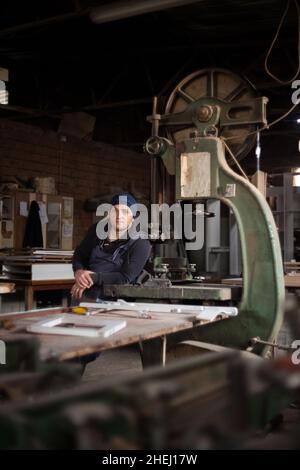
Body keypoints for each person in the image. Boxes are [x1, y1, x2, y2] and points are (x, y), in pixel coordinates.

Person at [71, 193, 151, 302]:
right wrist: (79, 272)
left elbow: (125, 277)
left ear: (133, 217)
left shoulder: (140, 243)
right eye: (115, 211)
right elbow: (80, 255)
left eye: (125, 212)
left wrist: (91, 278)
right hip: (87, 294)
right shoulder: (96, 231)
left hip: (117, 301)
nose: (119, 216)